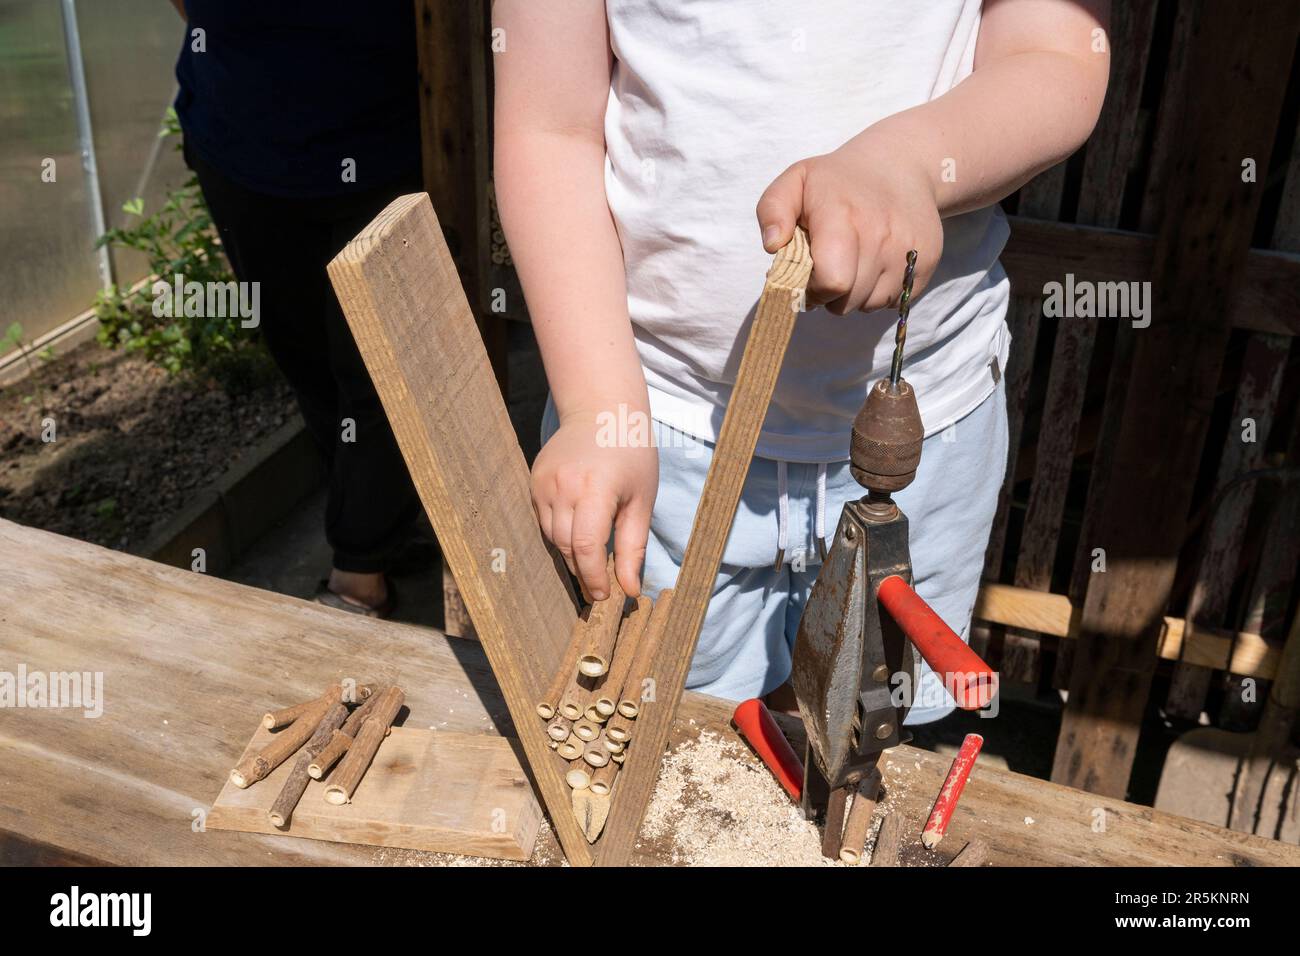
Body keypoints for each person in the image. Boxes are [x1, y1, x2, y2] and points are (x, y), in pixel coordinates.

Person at [493, 0, 1109, 720]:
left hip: (929, 431)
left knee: (855, 727)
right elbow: (550, 129)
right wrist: (599, 408)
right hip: (660, 427)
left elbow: (1060, 54)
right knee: (656, 722)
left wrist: (907, 161)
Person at [170, 0, 424, 615]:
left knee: (378, 368)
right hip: (241, 146)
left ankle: (358, 574)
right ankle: (381, 529)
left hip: (383, 149)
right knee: (304, 357)